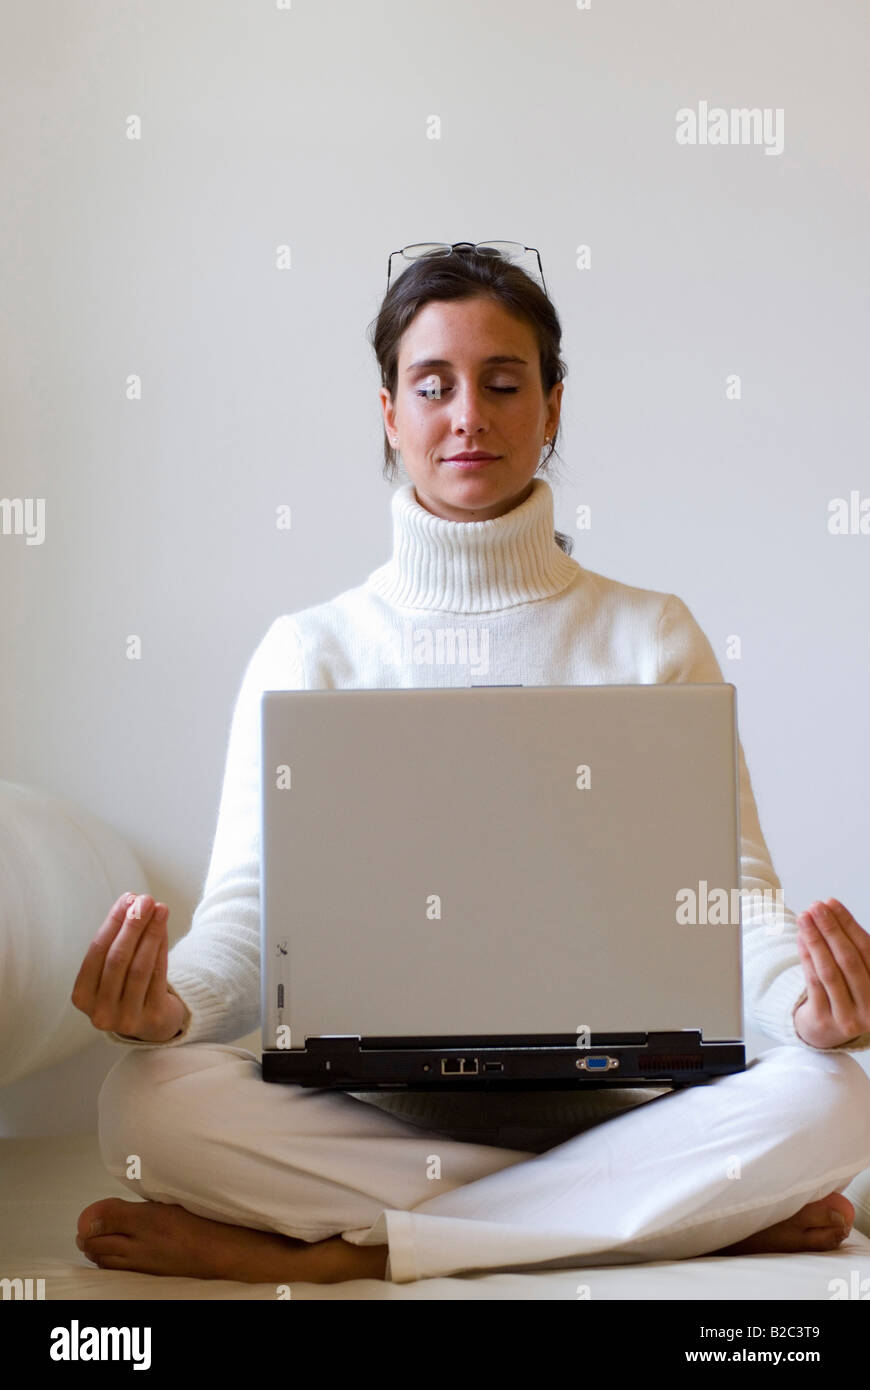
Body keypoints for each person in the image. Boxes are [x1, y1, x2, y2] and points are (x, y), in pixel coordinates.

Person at [72, 244, 870, 1285]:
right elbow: (247, 917)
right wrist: (169, 1005)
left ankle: (353, 1255)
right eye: (433, 385)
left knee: (837, 1089)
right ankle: (659, 1212)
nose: (469, 417)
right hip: (374, 1105)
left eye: (505, 384)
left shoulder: (651, 634)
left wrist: (802, 1007)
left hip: (623, 1096)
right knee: (145, 1102)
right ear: (389, 412)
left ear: (552, 409)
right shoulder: (311, 647)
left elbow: (731, 896)